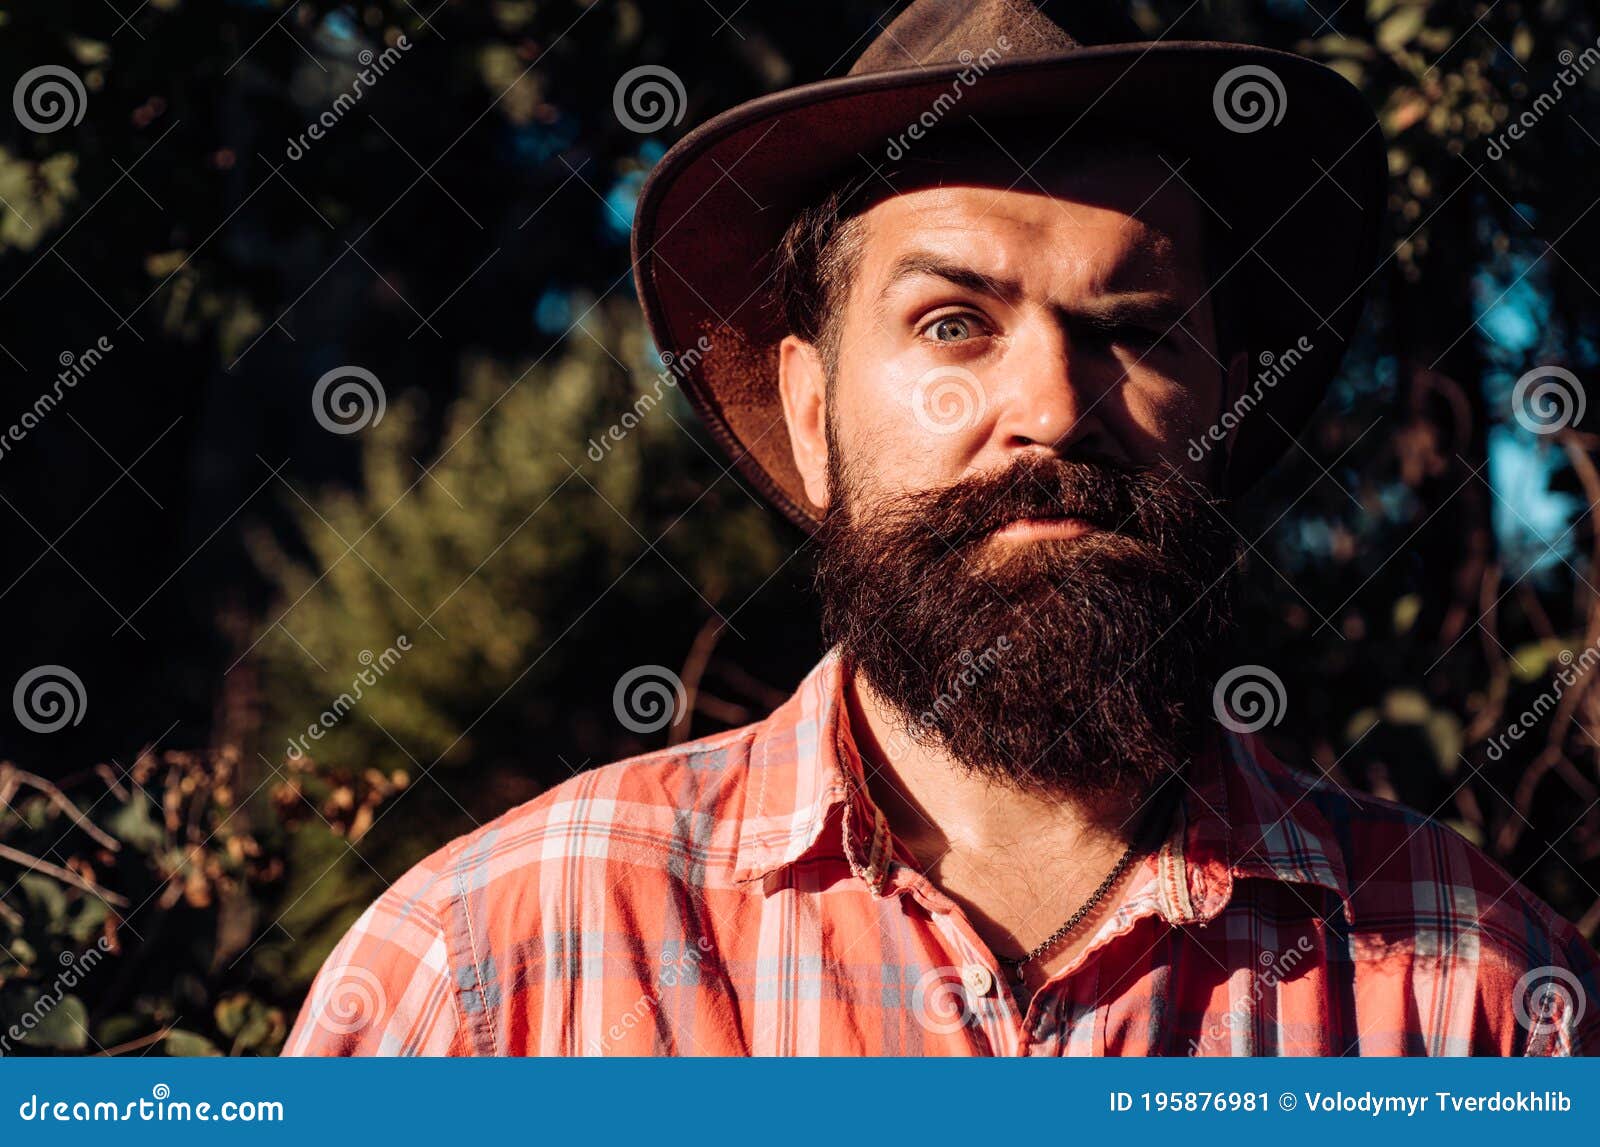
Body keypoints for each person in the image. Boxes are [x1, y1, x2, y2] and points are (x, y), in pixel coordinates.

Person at [285, 0, 1599, 1055]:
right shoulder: (493, 975)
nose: (1051, 410)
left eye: (1134, 330)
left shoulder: (1485, 1005)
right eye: (953, 324)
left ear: (1227, 404)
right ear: (812, 414)